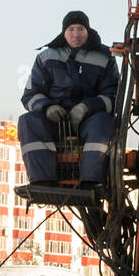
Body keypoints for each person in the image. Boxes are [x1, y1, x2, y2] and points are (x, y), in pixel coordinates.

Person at [18, 9, 119, 188]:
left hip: (90, 119)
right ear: (63, 32)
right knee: (28, 121)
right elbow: (30, 94)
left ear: (88, 31)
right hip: (55, 119)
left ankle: (91, 181)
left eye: (80, 29)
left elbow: (113, 95)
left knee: (103, 121)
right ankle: (42, 181)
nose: (76, 34)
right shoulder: (46, 57)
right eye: (71, 29)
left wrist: (86, 108)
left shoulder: (105, 57)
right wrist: (47, 107)